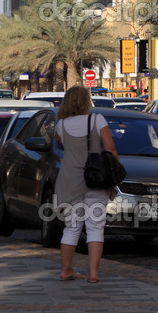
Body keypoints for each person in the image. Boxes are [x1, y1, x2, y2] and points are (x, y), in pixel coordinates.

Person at [54, 85, 118, 282]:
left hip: (69, 181)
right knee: (95, 227)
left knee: (72, 227)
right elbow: (110, 148)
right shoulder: (97, 119)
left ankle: (66, 270)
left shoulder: (60, 126)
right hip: (95, 180)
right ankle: (93, 274)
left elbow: (62, 145)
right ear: (86, 101)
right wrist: (114, 168)